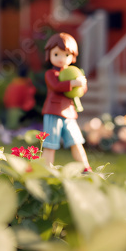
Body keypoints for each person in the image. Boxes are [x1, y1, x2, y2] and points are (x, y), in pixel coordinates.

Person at [41, 33, 92, 171]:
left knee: (76, 141)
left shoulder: (74, 72)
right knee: (50, 144)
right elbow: (56, 86)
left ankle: (86, 168)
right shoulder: (51, 74)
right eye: (57, 54)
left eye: (66, 55)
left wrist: (82, 84)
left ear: (73, 56)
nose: (61, 59)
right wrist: (74, 82)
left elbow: (80, 91)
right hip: (53, 112)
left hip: (69, 113)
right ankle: (46, 170)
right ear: (49, 55)